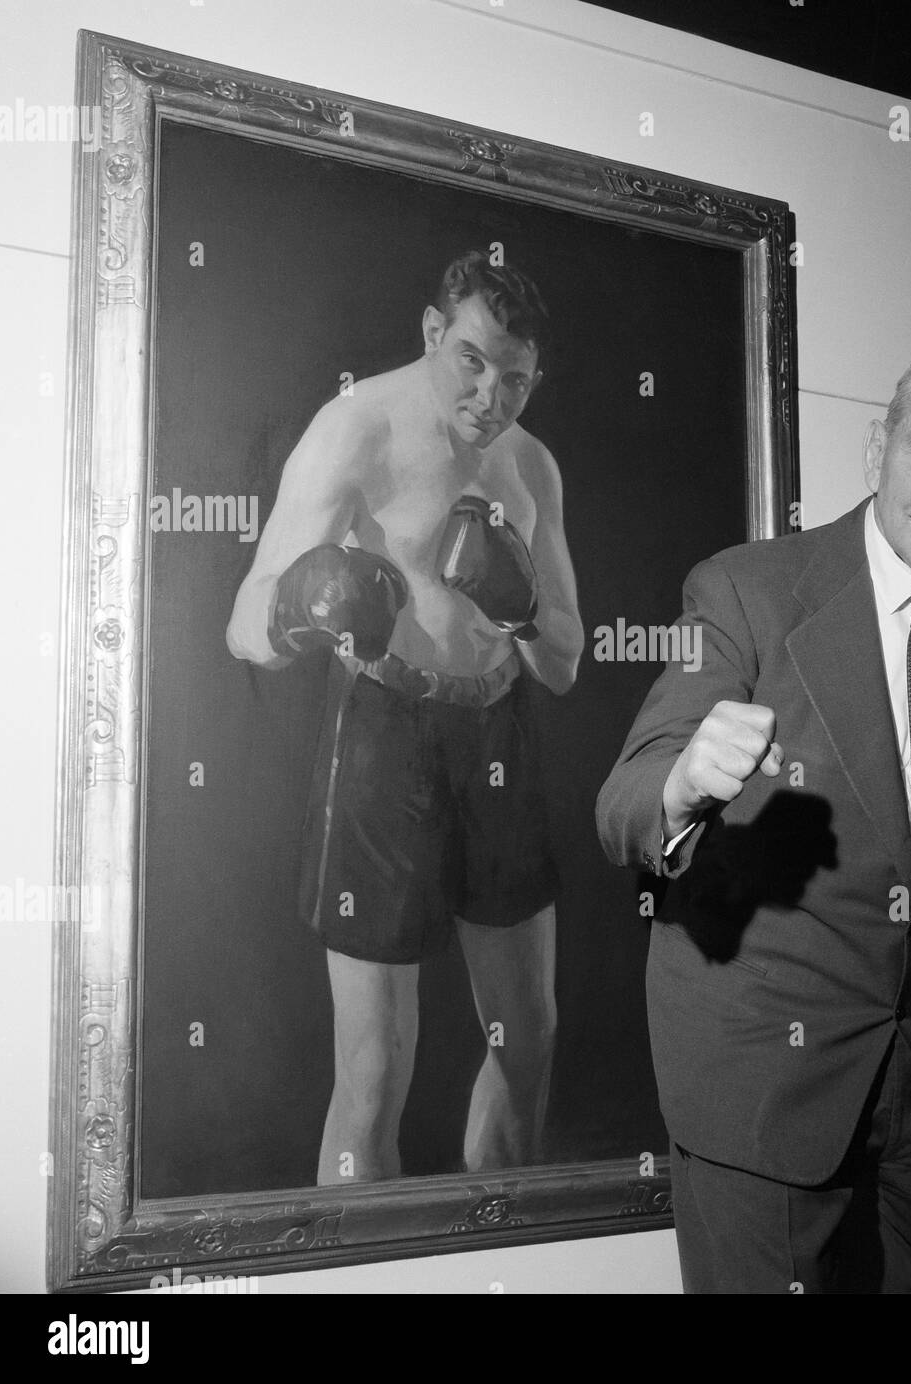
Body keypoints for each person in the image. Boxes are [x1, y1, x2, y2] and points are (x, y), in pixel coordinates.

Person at [596, 345, 911, 1293]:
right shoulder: (744, 591)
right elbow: (622, 806)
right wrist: (684, 784)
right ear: (879, 446)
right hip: (765, 1073)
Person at [227, 251, 583, 1183]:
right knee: (375, 1072)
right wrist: (306, 602)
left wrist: (522, 608)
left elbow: (565, 665)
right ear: (433, 335)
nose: (490, 394)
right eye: (470, 361)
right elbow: (243, 625)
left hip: (497, 732)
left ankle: (499, 1261)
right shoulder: (356, 430)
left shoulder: (531, 467)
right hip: (386, 730)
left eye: (515, 377)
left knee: (529, 1043)